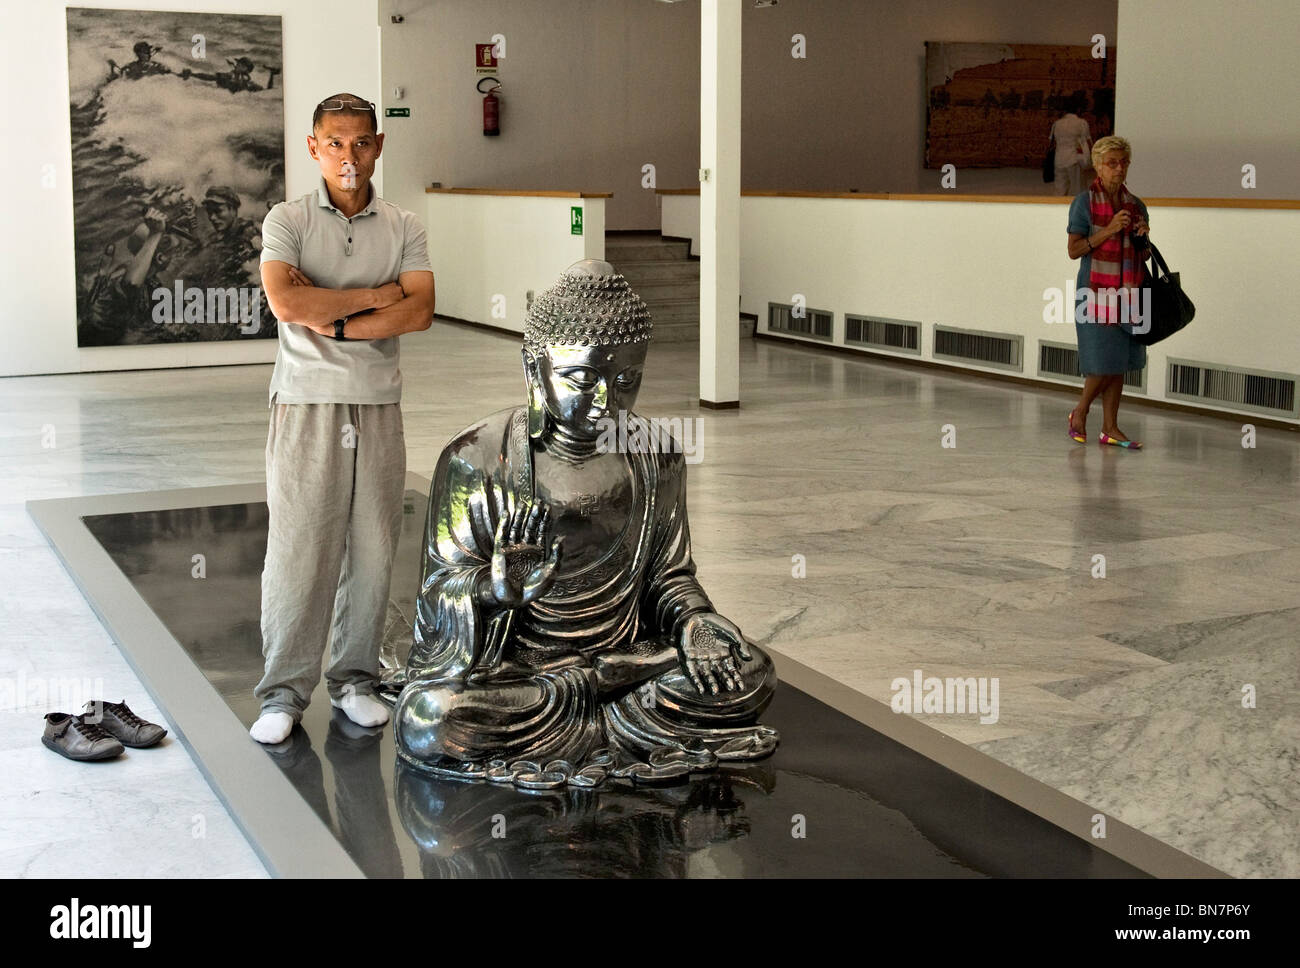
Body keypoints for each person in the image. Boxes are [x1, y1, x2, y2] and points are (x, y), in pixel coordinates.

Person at [392, 260, 778, 788]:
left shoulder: (655, 454)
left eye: (626, 382)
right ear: (535, 367)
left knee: (750, 671)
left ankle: (600, 718)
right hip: (522, 676)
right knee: (433, 720)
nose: (605, 403)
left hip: (629, 661)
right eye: (582, 378)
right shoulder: (474, 458)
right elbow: (437, 601)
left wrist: (692, 623)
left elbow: (669, 575)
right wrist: (492, 590)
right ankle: (616, 723)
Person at [250, 94, 436, 744]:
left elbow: (418, 313)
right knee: (301, 549)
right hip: (305, 402)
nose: (348, 156)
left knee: (375, 547)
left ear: (379, 146)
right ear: (313, 148)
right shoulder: (287, 218)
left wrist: (328, 315)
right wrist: (369, 298)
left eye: (360, 143)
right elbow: (283, 300)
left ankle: (355, 681)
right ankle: (282, 694)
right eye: (335, 142)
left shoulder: (404, 224)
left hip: (379, 404)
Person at [1066, 135, 1150, 449]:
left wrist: (1142, 240)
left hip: (1129, 292)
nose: (1119, 169)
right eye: (1112, 163)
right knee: (1102, 361)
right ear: (1099, 166)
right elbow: (1074, 250)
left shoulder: (1136, 205)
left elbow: (1143, 255)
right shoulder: (1084, 203)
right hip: (1095, 292)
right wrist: (1111, 229)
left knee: (1120, 361)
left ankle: (1111, 427)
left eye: (1123, 162)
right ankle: (1080, 411)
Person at [1050, 97, 1092, 196]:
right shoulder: (1081, 123)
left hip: (1059, 159)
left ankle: (1057, 209)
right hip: (1075, 159)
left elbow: (1052, 143)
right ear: (1078, 109)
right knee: (1078, 190)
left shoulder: (1057, 124)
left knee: (1059, 190)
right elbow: (1088, 142)